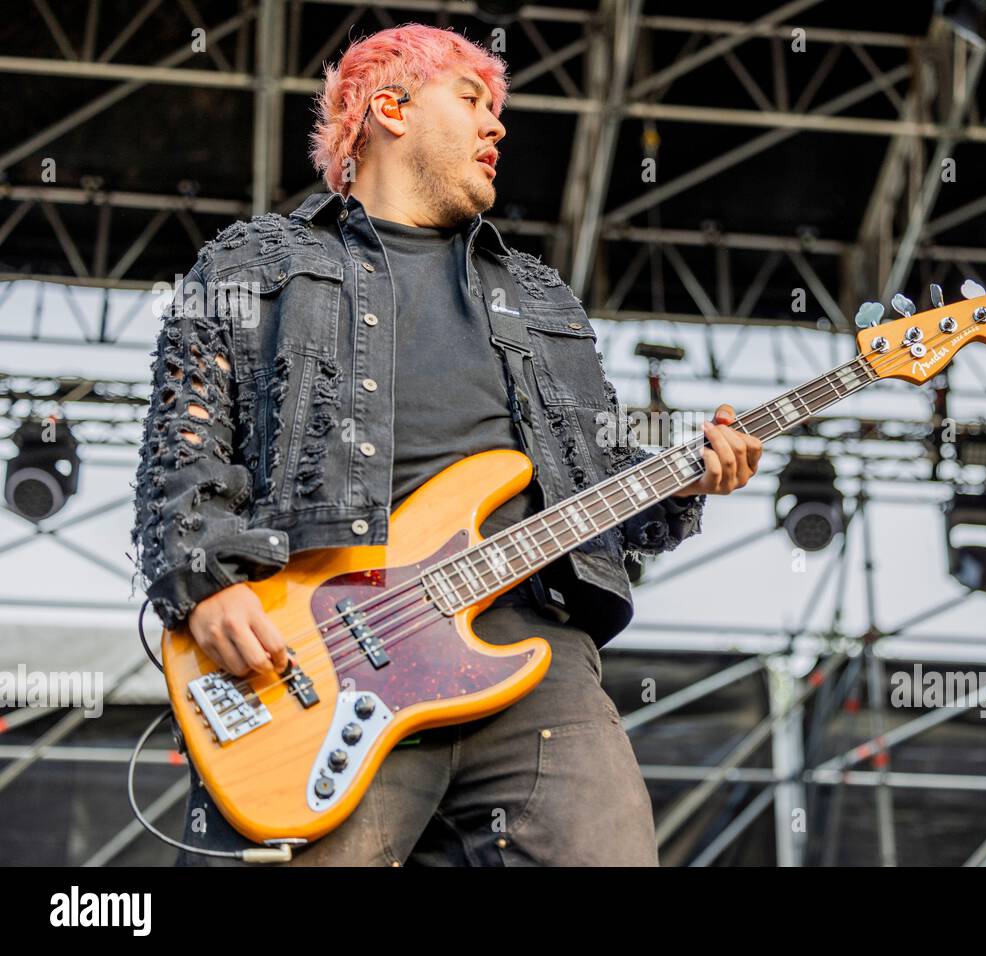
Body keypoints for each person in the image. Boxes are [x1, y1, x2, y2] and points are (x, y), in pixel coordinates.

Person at [131, 22, 762, 866]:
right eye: (472, 100)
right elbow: (183, 439)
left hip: (540, 663)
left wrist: (685, 478)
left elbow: (595, 481)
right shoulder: (259, 257)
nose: (497, 126)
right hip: (328, 656)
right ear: (388, 108)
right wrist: (204, 582)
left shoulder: (538, 295)